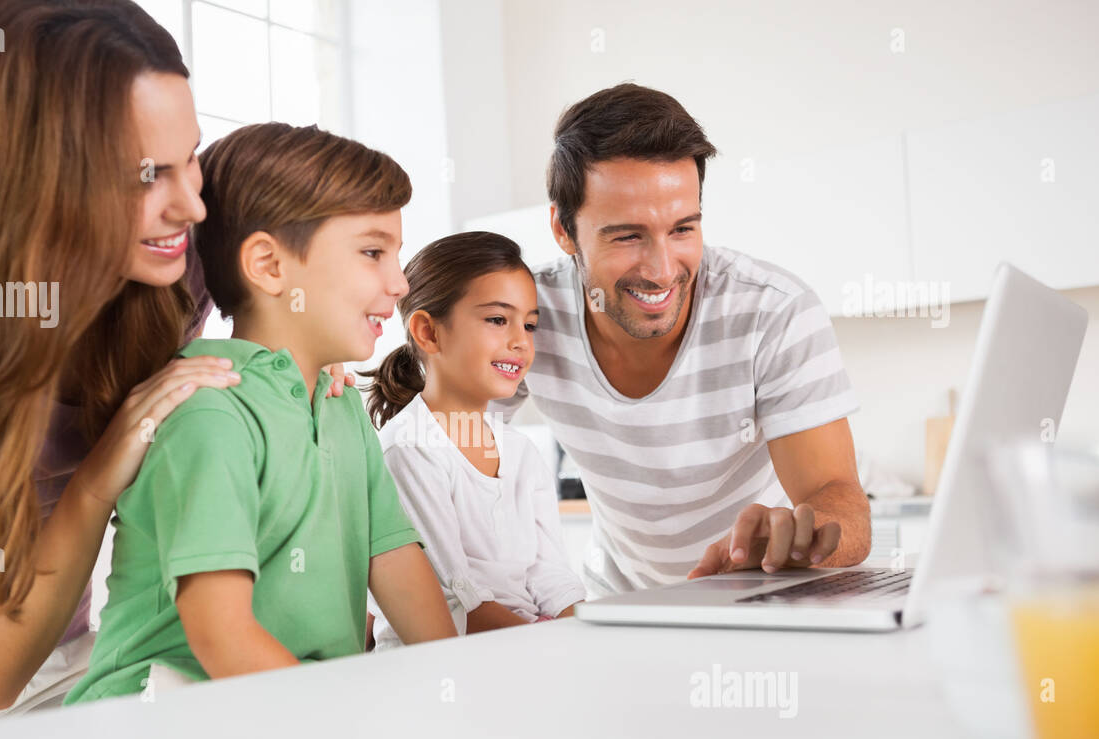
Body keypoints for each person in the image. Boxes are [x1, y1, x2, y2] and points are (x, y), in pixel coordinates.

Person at [0, 0, 352, 739]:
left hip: (63, 640)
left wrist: (308, 366)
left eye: (190, 155)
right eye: (144, 176)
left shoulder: (171, 264)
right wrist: (98, 476)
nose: (190, 203)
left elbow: (294, 285)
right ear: (30, 180)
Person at [64, 122, 458, 703]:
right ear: (270, 267)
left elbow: (394, 561)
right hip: (159, 728)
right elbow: (223, 637)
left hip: (280, 716)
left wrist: (458, 687)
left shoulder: (340, 403)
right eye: (373, 252)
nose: (399, 282)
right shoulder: (209, 411)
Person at [486, 83, 871, 598]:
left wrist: (800, 540)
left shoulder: (772, 310)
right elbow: (441, 434)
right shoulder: (528, 314)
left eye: (683, 229)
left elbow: (839, 498)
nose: (662, 270)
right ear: (562, 228)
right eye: (627, 235)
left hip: (762, 598)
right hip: (621, 605)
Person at [360, 232, 585, 648]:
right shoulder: (408, 450)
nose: (520, 340)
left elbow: (551, 575)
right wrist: (555, 647)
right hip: (445, 664)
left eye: (529, 324)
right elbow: (454, 599)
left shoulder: (521, 453)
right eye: (498, 320)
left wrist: (588, 633)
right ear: (428, 332)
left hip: (525, 651)